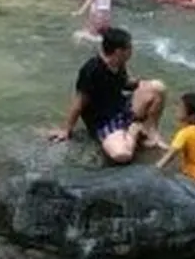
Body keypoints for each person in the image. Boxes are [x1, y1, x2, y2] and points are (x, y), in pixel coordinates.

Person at [51, 25, 166, 164]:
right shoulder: (92, 70)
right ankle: (135, 129)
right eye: (129, 48)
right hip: (103, 120)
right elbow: (79, 102)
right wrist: (66, 129)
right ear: (118, 51)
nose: (132, 51)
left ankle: (151, 132)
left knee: (157, 87)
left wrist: (142, 84)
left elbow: (125, 83)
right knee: (121, 155)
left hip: (122, 107)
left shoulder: (119, 63)